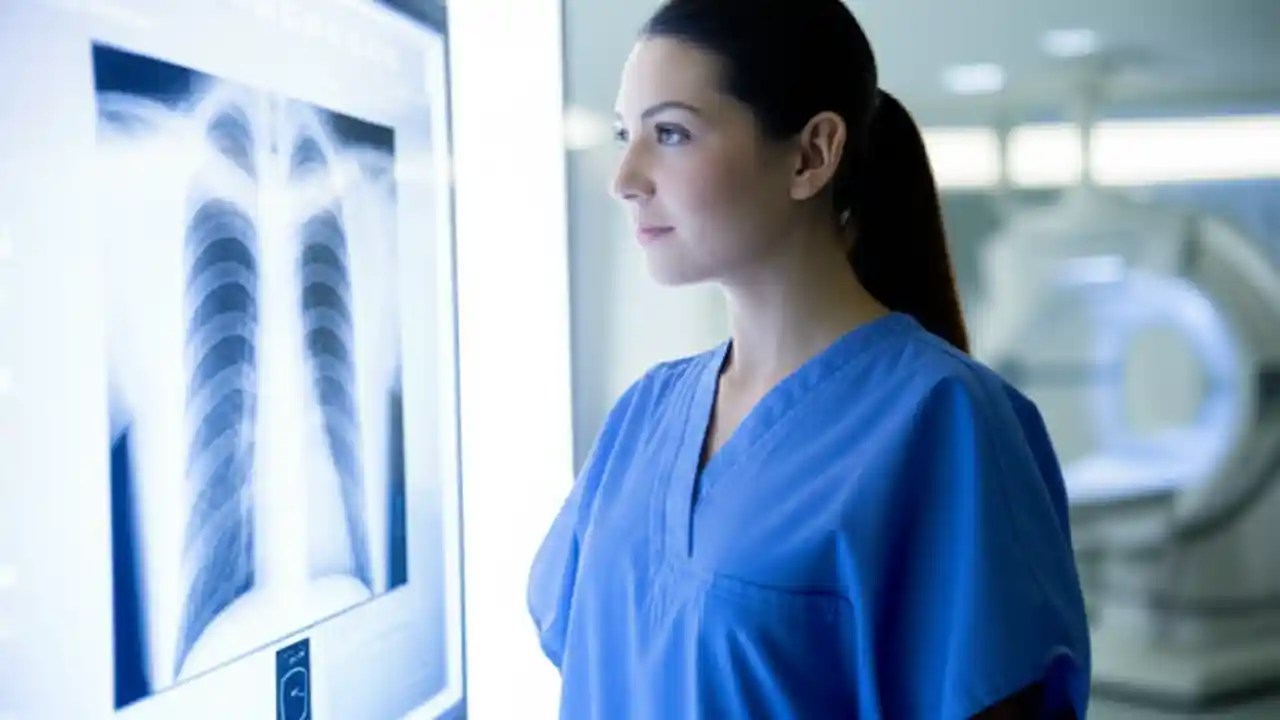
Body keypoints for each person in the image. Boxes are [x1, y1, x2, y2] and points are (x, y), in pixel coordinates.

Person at [527, 0, 1092, 717]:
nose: (625, 177)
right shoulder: (645, 414)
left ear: (810, 154)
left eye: (670, 133)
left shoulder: (947, 422)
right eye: (623, 134)